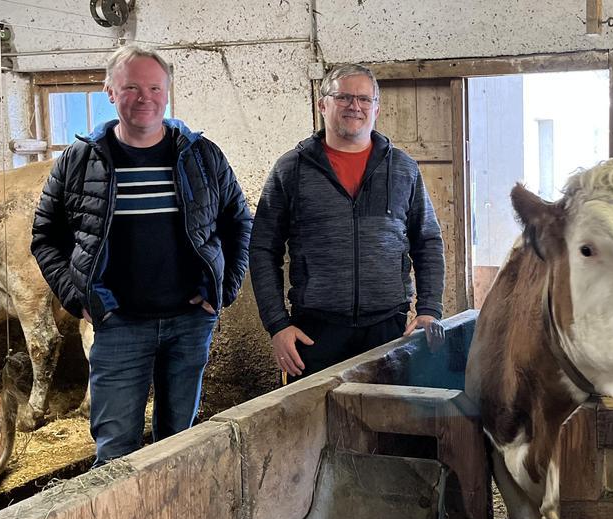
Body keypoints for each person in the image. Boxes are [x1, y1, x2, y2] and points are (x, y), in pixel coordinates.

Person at [31, 44, 252, 466]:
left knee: (179, 445)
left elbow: (238, 222)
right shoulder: (80, 161)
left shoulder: (201, 156)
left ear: (167, 92)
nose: (144, 97)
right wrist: (80, 298)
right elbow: (45, 236)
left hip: (190, 323)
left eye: (154, 87)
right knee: (115, 453)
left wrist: (223, 289)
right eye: (131, 87)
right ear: (110, 92)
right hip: (119, 326)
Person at [249, 63, 445, 379]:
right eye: (343, 97)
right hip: (314, 333)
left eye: (364, 99)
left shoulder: (403, 169)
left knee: (392, 423)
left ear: (376, 108)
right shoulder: (291, 170)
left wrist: (429, 310)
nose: (355, 106)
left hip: (388, 329)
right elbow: (261, 249)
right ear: (322, 104)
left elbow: (428, 241)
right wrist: (277, 325)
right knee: (313, 425)